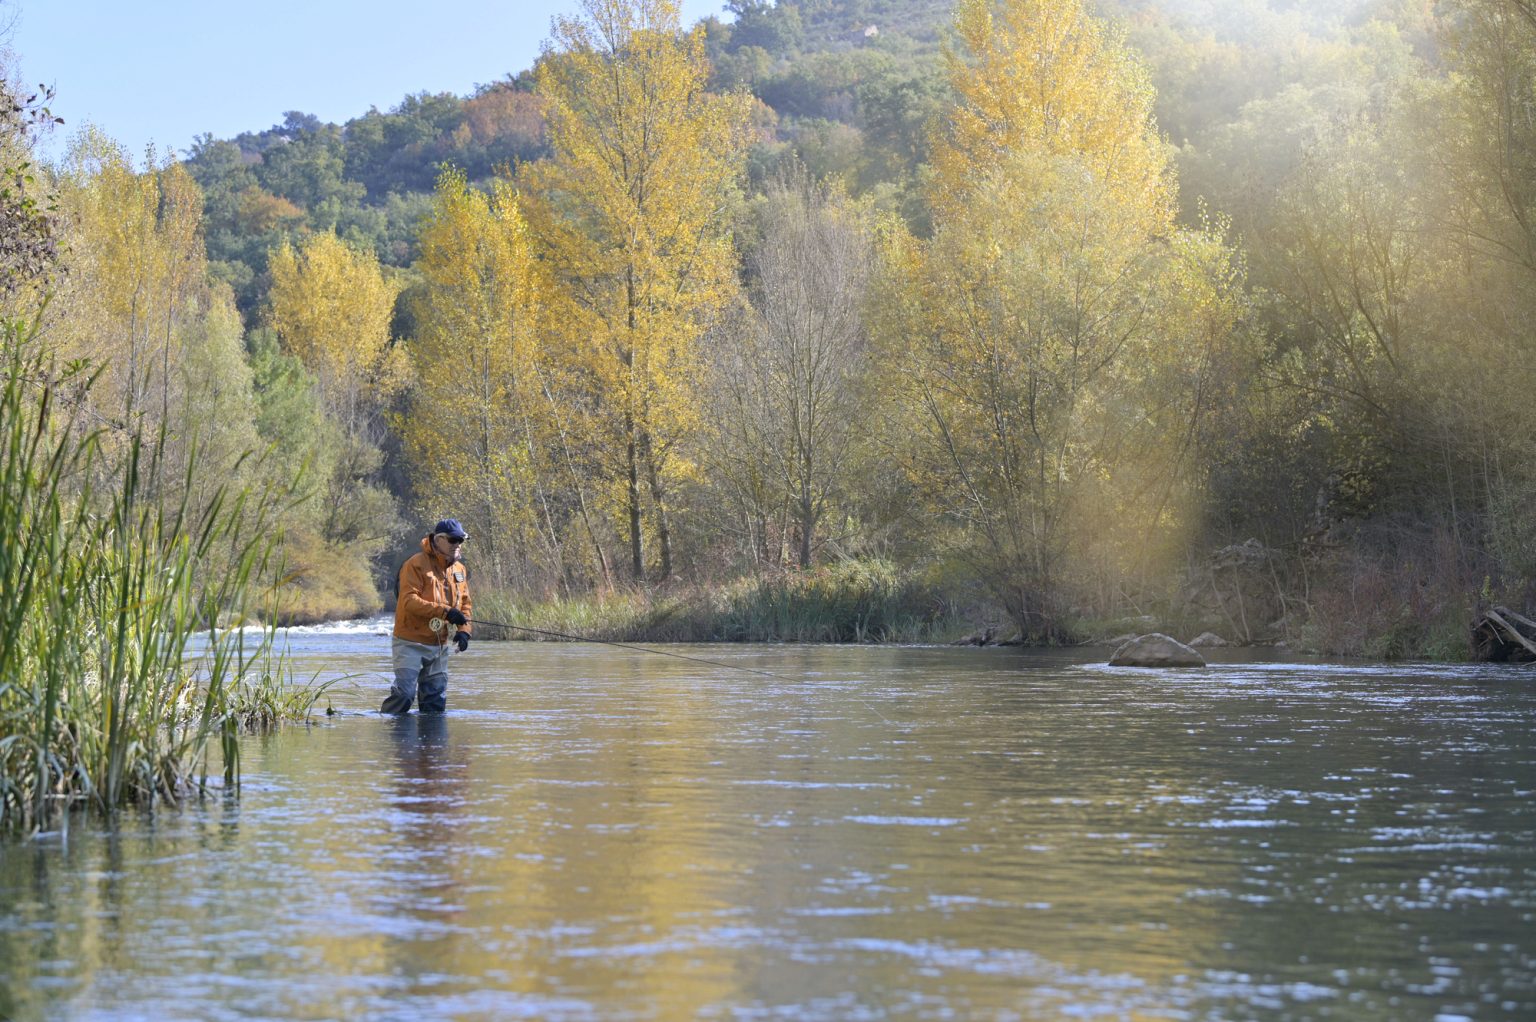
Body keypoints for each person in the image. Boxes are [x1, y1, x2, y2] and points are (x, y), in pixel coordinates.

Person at [382, 518, 473, 714]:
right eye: (453, 540)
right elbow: (408, 601)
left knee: (435, 702)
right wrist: (445, 612)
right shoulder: (415, 564)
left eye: (461, 540)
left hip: (438, 644)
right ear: (438, 539)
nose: (457, 544)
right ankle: (391, 735)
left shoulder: (460, 570)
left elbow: (465, 604)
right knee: (404, 696)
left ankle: (433, 744)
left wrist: (464, 631)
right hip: (409, 642)